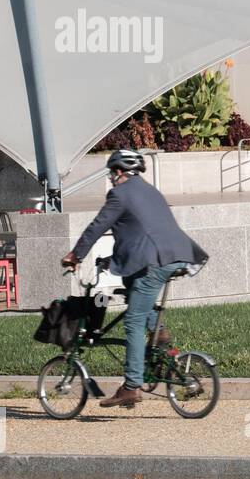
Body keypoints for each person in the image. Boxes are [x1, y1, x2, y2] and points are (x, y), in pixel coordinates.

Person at [61, 149, 208, 408]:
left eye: (111, 173)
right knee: (132, 285)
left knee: (133, 322)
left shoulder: (119, 194)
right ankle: (160, 336)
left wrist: (75, 255)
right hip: (177, 255)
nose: (110, 178)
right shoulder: (151, 191)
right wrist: (112, 260)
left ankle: (131, 386)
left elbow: (97, 226)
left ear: (118, 172)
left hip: (154, 262)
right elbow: (139, 231)